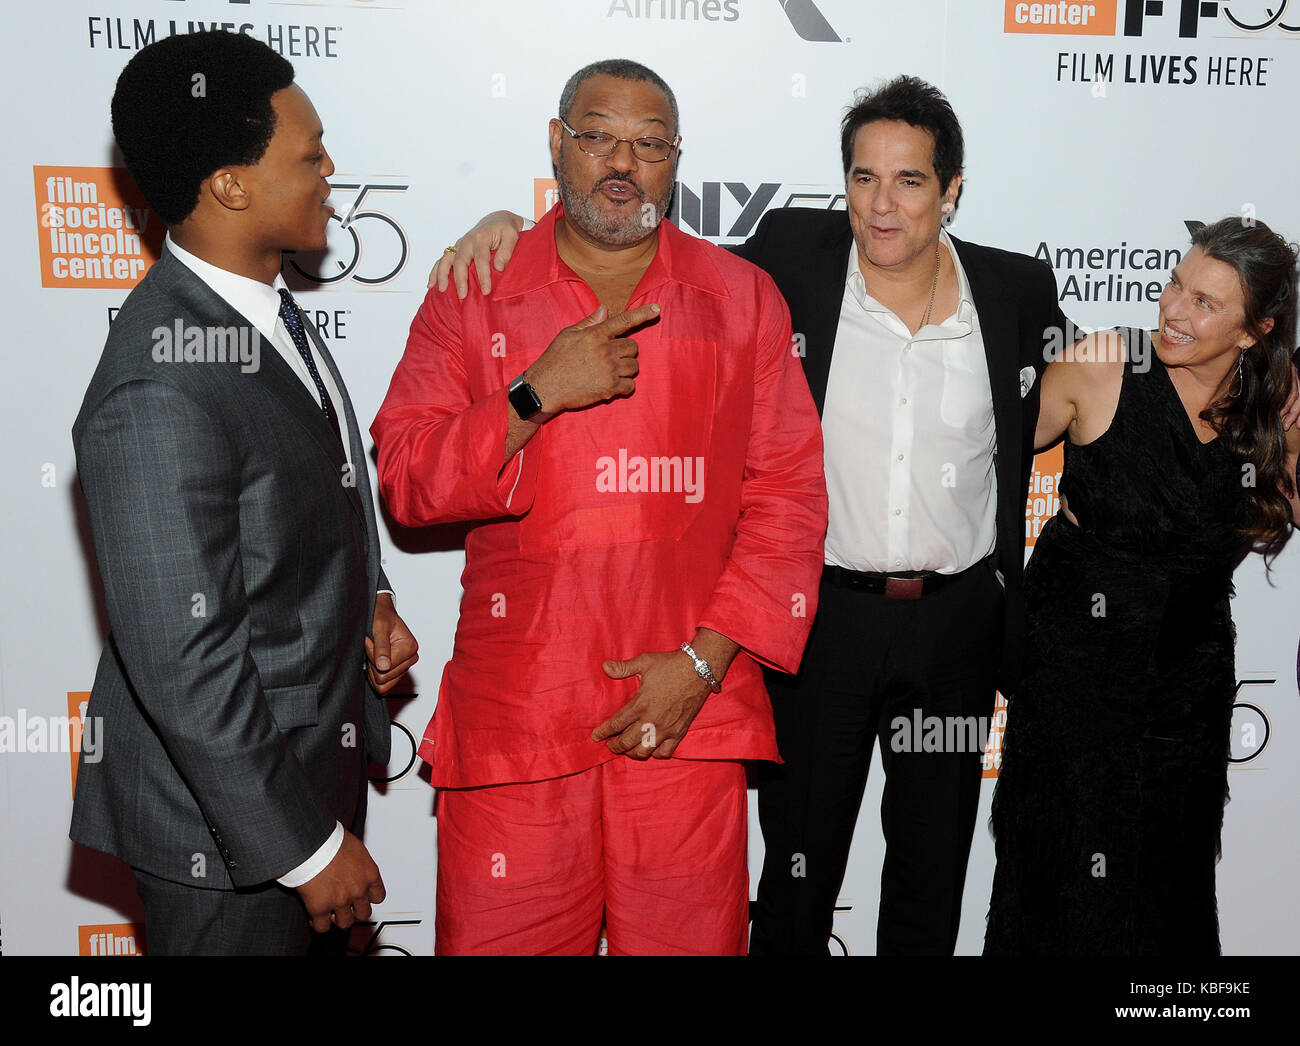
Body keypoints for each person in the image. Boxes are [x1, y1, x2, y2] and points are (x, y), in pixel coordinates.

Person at [430, 75, 1073, 955]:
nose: (882, 205)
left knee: (934, 873)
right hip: (822, 624)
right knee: (796, 877)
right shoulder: (788, 255)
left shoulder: (1015, 294)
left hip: (956, 627)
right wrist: (506, 227)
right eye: (863, 177)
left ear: (951, 190)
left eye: (910, 181)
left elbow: (1096, 398)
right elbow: (625, 224)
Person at [371, 58, 826, 956]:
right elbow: (406, 478)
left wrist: (700, 667)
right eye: (598, 136)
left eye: (650, 144)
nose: (623, 161)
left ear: (676, 160)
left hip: (685, 718)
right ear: (556, 142)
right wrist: (531, 396)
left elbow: (790, 499)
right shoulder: (475, 292)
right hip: (519, 721)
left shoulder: (742, 299)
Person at [72, 30, 418, 956]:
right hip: (224, 840)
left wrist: (369, 600)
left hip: (301, 779)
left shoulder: (260, 309)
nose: (330, 167)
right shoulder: (159, 381)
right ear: (230, 184)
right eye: (307, 155)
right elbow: (183, 657)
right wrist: (303, 852)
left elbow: (304, 493)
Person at [985, 218, 1300, 955]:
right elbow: (986, 448)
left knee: (1169, 871)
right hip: (1071, 668)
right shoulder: (1104, 362)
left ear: (1255, 332)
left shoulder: (1271, 410)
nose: (1172, 311)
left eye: (1204, 304)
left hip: (1185, 682)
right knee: (1057, 857)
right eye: (1174, 286)